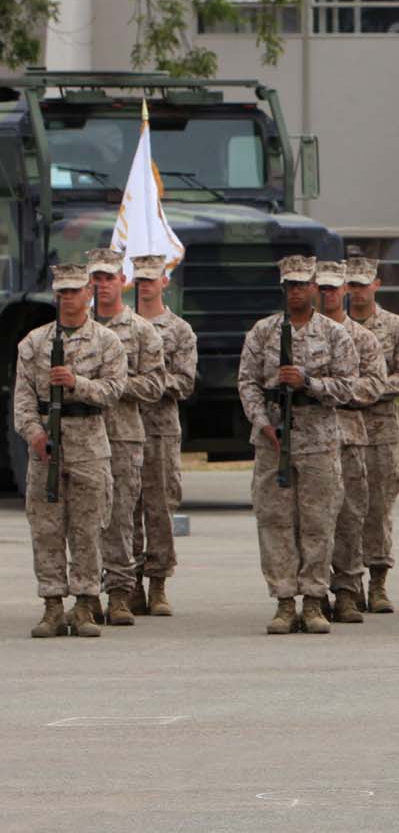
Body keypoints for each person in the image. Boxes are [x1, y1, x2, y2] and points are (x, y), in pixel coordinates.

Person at [237, 255, 357, 635]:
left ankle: (315, 601)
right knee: (274, 521)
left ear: (314, 287)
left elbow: (348, 387)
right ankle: (285, 601)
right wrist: (263, 423)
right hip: (274, 440)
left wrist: (309, 383)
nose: (296, 291)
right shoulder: (263, 332)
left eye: (302, 284)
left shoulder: (334, 334)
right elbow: (248, 383)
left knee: (318, 522)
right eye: (289, 285)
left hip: (318, 438)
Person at [15, 264, 126, 638]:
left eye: (74, 291)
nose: (67, 298)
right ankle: (52, 606)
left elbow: (114, 391)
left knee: (87, 529)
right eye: (61, 292)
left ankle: (84, 604)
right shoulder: (34, 343)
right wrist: (34, 434)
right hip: (46, 449)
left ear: (88, 294)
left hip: (89, 446)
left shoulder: (107, 342)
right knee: (46, 529)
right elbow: (23, 400)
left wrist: (77, 383)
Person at [87, 248, 166, 627]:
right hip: (81, 436)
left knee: (120, 518)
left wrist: (111, 385)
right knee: (85, 520)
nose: (102, 285)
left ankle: (120, 593)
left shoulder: (140, 330)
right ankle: (87, 593)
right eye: (96, 278)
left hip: (122, 437)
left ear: (123, 280)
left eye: (109, 278)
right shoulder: (74, 329)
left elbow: (155, 385)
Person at [347, 255, 399, 614]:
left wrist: (370, 388)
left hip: (380, 429)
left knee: (378, 508)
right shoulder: (334, 326)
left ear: (376, 285)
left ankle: (377, 582)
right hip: (342, 427)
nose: (357, 292)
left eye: (363, 285)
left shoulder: (395, 327)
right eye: (352, 285)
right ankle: (347, 583)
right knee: (344, 508)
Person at [316, 260, 387, 625]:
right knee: (311, 520)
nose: (327, 294)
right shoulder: (298, 334)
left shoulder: (363, 338)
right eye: (321, 288)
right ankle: (313, 592)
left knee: (350, 517)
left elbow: (374, 385)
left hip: (350, 436)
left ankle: (347, 591)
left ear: (344, 289)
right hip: (309, 437)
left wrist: (324, 390)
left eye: (333, 287)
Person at [130, 253, 197, 617]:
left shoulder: (180, 330)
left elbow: (184, 382)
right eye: (140, 279)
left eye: (151, 279)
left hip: (160, 430)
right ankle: (128, 583)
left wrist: (146, 382)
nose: (145, 285)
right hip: (124, 428)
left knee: (160, 507)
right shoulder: (118, 327)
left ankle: (157, 583)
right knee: (125, 508)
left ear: (164, 282)